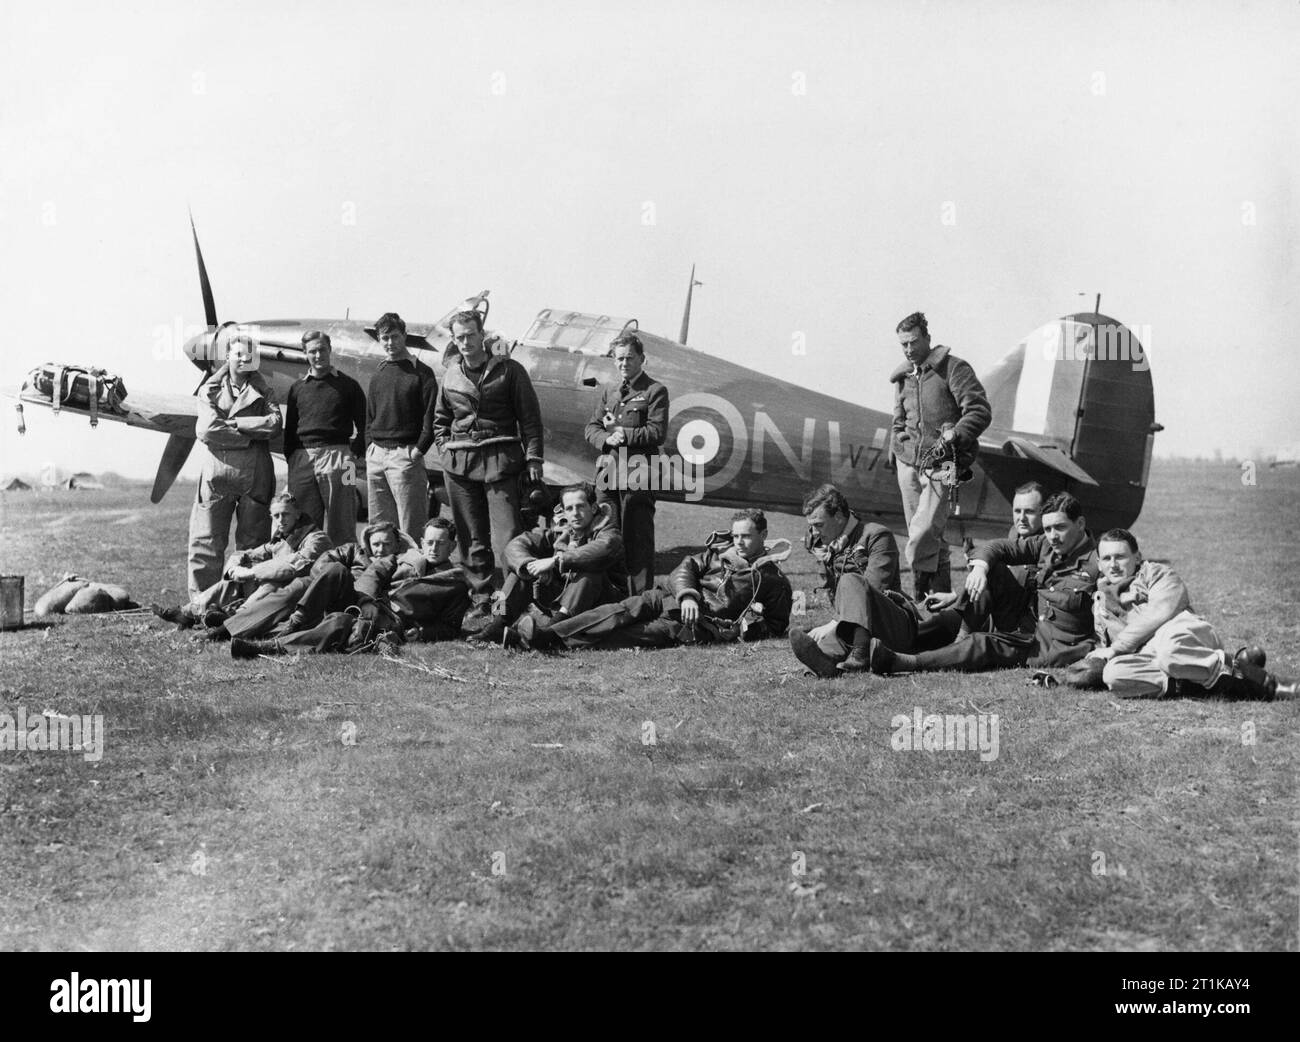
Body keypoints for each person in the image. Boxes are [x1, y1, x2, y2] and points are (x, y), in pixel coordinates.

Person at [869, 492, 1098, 675]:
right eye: (1048, 529)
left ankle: (904, 663)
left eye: (1060, 527)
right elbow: (995, 547)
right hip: (1023, 621)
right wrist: (980, 569)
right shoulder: (1047, 545)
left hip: (1050, 645)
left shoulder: (1099, 563)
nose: (1053, 536)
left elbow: (1119, 607)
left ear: (1080, 523)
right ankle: (920, 639)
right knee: (990, 570)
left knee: (981, 643)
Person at [1061, 529, 1297, 700]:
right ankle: (1217, 673)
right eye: (1107, 558)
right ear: (1099, 564)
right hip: (1151, 654)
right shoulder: (1100, 600)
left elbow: (1159, 613)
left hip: (1181, 634)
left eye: (1120, 557)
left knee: (1170, 651)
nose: (1113, 564)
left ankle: (1269, 685)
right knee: (1115, 675)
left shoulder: (1157, 574)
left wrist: (1115, 649)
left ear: (1137, 557)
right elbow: (1102, 647)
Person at [513, 509, 792, 652]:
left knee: (626, 635)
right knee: (617, 612)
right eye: (736, 535)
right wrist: (688, 595)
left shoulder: (772, 579)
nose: (739, 542)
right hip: (667, 597)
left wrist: (746, 628)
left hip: (695, 624)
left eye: (746, 536)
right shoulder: (718, 552)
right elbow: (686, 567)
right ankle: (545, 636)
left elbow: (777, 624)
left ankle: (544, 639)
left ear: (763, 535)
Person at [433, 309, 544, 623]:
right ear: (454, 340)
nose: (466, 342)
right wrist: (444, 449)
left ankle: (511, 603)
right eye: (459, 337)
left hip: (501, 460)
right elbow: (440, 421)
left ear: (482, 335)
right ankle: (481, 600)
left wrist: (534, 458)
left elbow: (530, 419)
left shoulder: (510, 370)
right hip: (459, 464)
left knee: (509, 537)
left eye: (471, 334)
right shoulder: (451, 375)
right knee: (471, 539)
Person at [890, 311, 991, 599]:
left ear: (928, 338)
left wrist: (956, 434)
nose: (909, 350)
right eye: (903, 345)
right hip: (907, 462)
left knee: (922, 533)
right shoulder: (902, 378)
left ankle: (920, 596)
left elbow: (980, 410)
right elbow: (898, 418)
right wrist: (896, 448)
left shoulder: (954, 368)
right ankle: (937, 601)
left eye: (913, 342)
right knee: (929, 536)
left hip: (944, 462)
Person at [187, 331, 283, 601]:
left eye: (249, 355)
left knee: (253, 545)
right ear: (227, 357)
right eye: (238, 354)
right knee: (206, 542)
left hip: (256, 477)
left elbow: (275, 425)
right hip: (217, 476)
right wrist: (253, 432)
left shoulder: (265, 391)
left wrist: (235, 424)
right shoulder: (210, 390)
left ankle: (245, 601)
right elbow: (207, 430)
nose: (243, 359)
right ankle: (200, 604)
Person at [157, 491, 330, 634]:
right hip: (281, 596)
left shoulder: (316, 538)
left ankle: (232, 619)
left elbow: (292, 566)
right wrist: (234, 567)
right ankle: (188, 613)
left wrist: (250, 572)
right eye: (276, 515)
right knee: (233, 582)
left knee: (270, 584)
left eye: (285, 514)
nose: (280, 520)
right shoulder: (281, 539)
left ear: (298, 514)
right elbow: (248, 554)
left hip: (308, 599)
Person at [788, 483, 915, 677]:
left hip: (893, 621)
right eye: (811, 527)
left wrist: (833, 623)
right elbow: (835, 597)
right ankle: (825, 663)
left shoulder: (876, 535)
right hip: (857, 626)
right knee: (829, 643)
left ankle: (857, 653)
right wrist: (824, 560)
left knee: (850, 581)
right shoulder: (832, 543)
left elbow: (876, 586)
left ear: (838, 516)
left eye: (819, 525)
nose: (814, 533)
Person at [473, 482, 625, 644]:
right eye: (569, 508)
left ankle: (548, 632)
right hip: (567, 602)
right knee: (519, 572)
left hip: (603, 604)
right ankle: (496, 624)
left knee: (589, 573)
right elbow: (514, 547)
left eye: (580, 507)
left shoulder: (608, 531)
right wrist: (531, 566)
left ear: (593, 508)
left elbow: (603, 548)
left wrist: (555, 561)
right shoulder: (562, 533)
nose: (575, 514)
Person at [584, 331, 670, 594]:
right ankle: (608, 595)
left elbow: (657, 432)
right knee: (605, 533)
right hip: (608, 472)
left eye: (629, 358)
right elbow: (592, 428)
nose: (624, 363)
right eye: (619, 358)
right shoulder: (610, 391)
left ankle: (641, 600)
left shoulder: (655, 391)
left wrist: (623, 434)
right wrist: (607, 440)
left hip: (638, 472)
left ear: (642, 359)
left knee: (637, 538)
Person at [283, 330, 366, 546]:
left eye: (322, 350)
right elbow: (290, 428)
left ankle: (345, 573)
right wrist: (293, 459)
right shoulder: (297, 388)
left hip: (341, 459)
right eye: (312, 351)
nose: (318, 355)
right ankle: (305, 574)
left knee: (344, 521)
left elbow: (365, 425)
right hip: (303, 459)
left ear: (330, 350)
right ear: (305, 353)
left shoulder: (349, 385)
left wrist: (353, 454)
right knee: (302, 525)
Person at [365, 312, 438, 540]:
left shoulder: (422, 373)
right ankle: (383, 570)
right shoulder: (379, 372)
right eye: (384, 338)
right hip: (376, 456)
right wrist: (370, 446)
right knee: (379, 527)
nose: (390, 343)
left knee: (411, 525)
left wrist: (418, 450)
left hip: (405, 456)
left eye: (395, 336)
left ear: (405, 336)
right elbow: (370, 414)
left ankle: (414, 572)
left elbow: (432, 417)